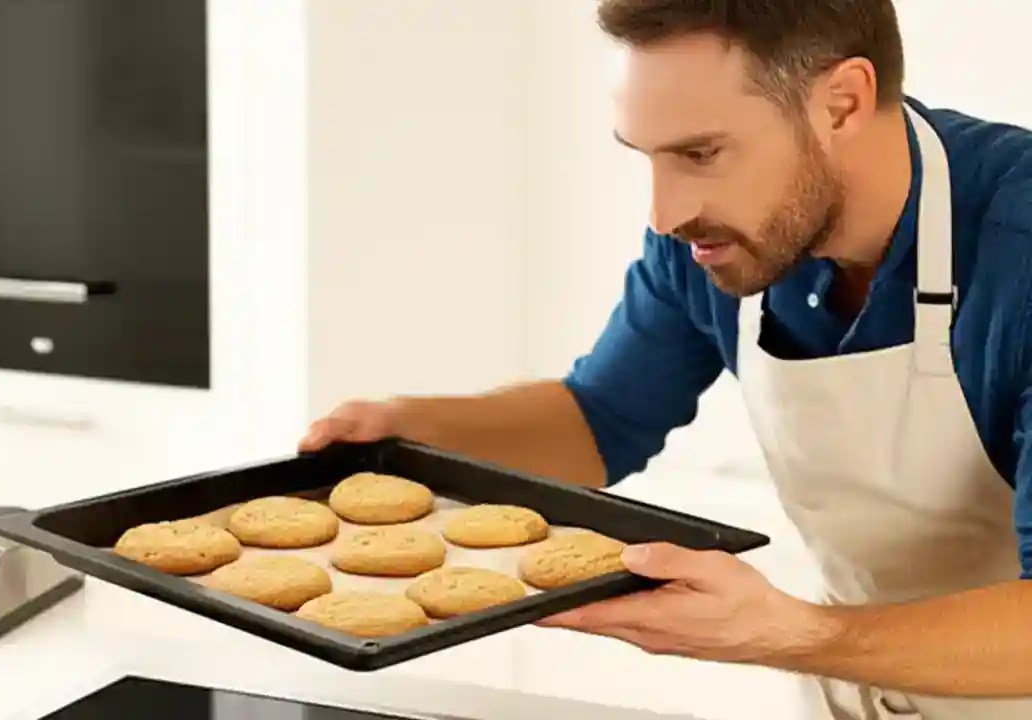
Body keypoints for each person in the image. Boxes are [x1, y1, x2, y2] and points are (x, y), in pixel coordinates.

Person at [299, 1, 1032, 718]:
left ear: (842, 103)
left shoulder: (1018, 247)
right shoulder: (717, 238)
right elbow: (599, 421)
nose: (665, 214)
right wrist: (406, 433)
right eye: (647, 156)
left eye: (700, 154)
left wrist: (797, 634)